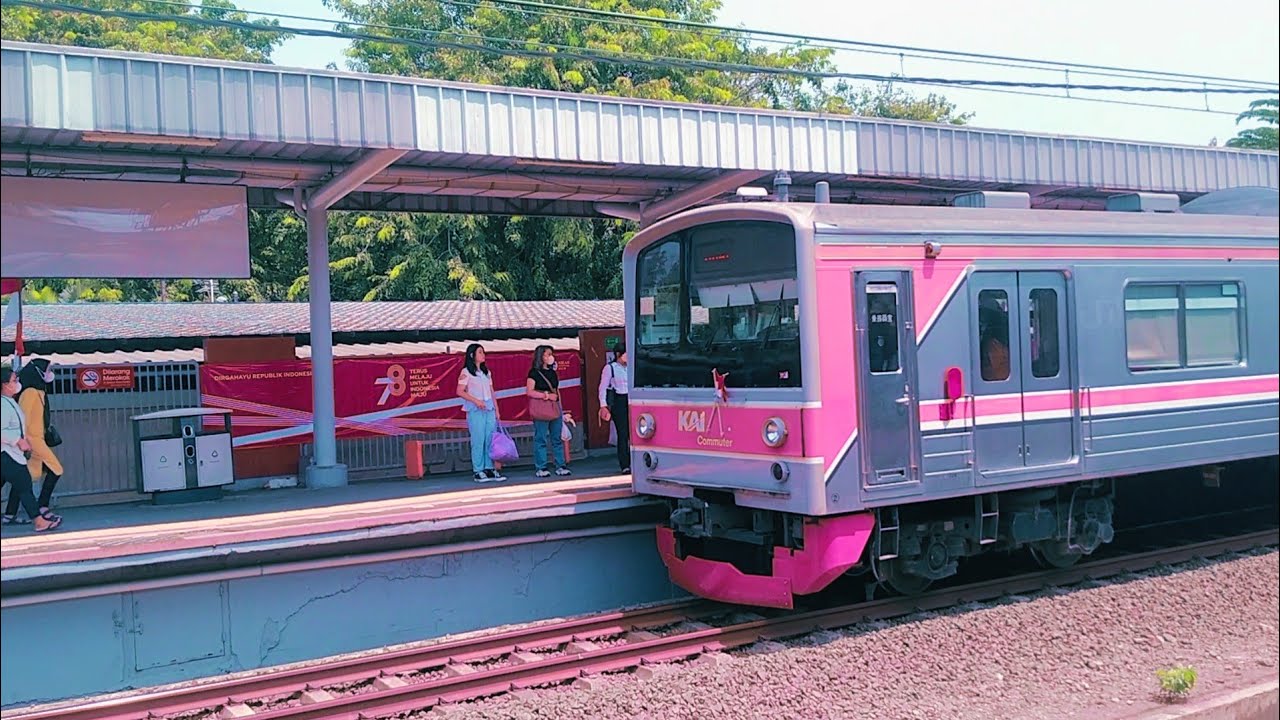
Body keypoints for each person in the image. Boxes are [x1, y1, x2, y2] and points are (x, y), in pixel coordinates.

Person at [2, 367, 62, 531]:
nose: (17, 383)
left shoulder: (10, 401)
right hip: (8, 453)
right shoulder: (7, 402)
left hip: (13, 453)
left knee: (24, 483)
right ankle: (39, 518)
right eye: (14, 380)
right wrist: (20, 441)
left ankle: (22, 517)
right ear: (5, 385)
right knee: (25, 483)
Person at [456, 344, 505, 483]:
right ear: (472, 355)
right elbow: (460, 391)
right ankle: (478, 470)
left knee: (490, 438)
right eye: (480, 352)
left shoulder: (486, 372)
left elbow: (491, 391)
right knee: (478, 439)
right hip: (475, 409)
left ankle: (489, 467)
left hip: (489, 408)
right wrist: (476, 401)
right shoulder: (466, 372)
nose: (483, 355)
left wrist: (497, 409)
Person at [526, 345, 571, 478]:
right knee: (541, 438)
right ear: (541, 357)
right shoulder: (533, 372)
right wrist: (546, 396)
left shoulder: (552, 373)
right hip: (541, 407)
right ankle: (541, 467)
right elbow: (529, 391)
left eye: (551, 354)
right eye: (547, 354)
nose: (551, 357)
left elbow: (557, 391)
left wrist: (560, 408)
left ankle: (560, 465)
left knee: (557, 438)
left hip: (555, 407)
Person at [598, 343, 631, 474]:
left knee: (634, 433)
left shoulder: (631, 367)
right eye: (625, 354)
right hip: (619, 401)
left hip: (631, 399)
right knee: (622, 433)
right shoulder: (610, 368)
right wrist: (603, 405)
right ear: (618, 354)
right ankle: (625, 464)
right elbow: (603, 387)